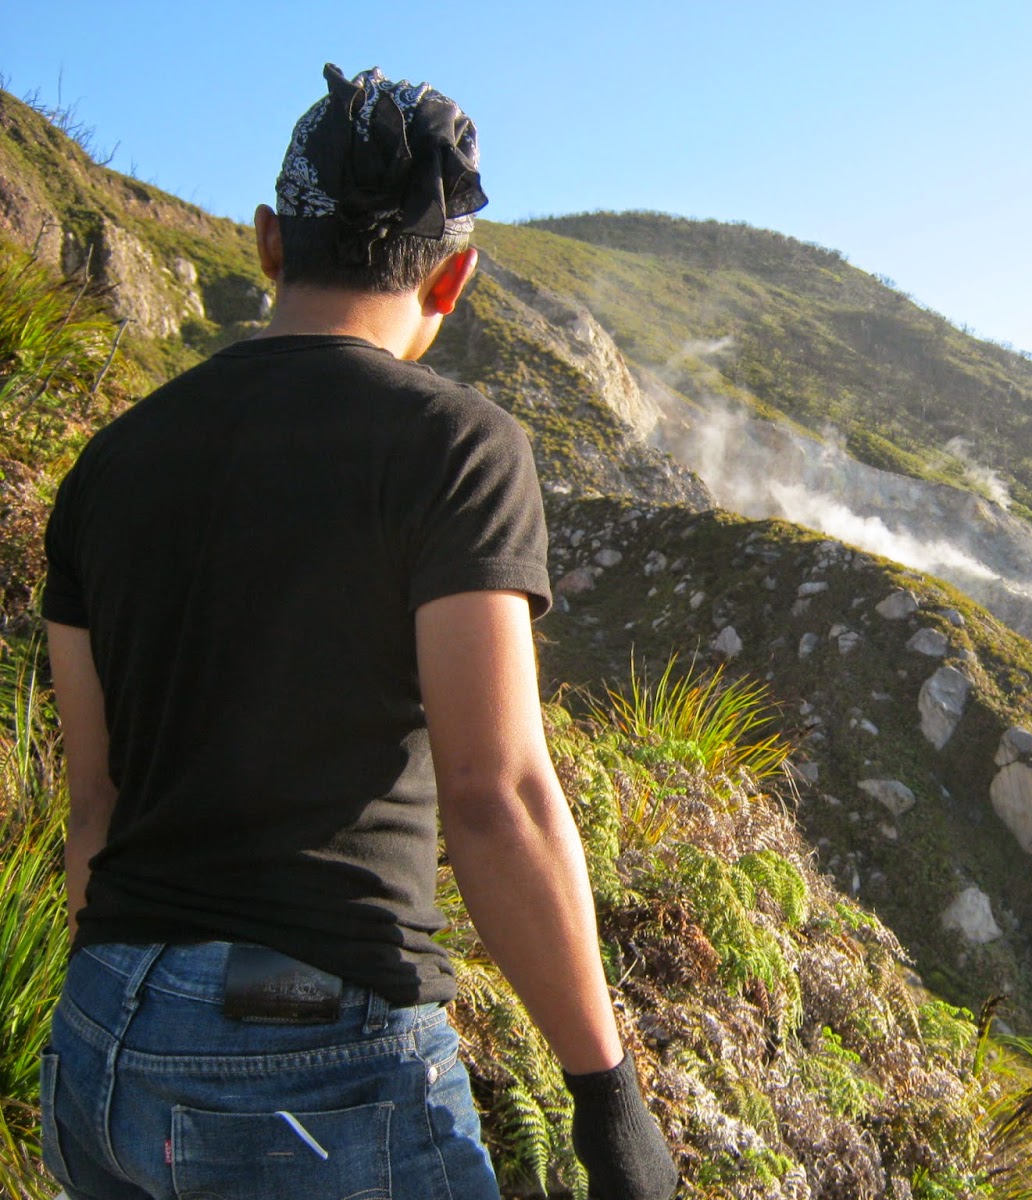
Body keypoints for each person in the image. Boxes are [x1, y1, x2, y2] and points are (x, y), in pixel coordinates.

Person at [38, 64, 678, 1200]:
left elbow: (96, 807)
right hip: (308, 1068)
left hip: (98, 1048)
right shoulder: (455, 448)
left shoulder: (108, 465)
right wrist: (607, 1099)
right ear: (456, 274)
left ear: (269, 241)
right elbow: (498, 795)